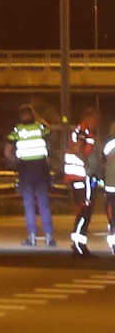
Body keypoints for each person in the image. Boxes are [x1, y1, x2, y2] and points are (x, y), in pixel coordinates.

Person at [4, 103, 55, 248]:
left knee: (29, 205)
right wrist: (38, 117)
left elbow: (7, 152)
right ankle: (49, 237)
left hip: (25, 171)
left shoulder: (17, 130)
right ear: (32, 115)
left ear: (20, 116)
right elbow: (50, 131)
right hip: (41, 170)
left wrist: (16, 160)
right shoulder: (40, 127)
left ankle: (32, 237)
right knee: (44, 203)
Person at [66, 106, 104, 257]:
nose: (98, 122)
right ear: (89, 118)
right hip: (82, 177)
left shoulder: (85, 131)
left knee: (84, 211)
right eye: (97, 119)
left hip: (81, 177)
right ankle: (78, 245)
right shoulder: (82, 131)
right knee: (84, 210)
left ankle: (80, 245)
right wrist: (88, 166)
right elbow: (78, 149)